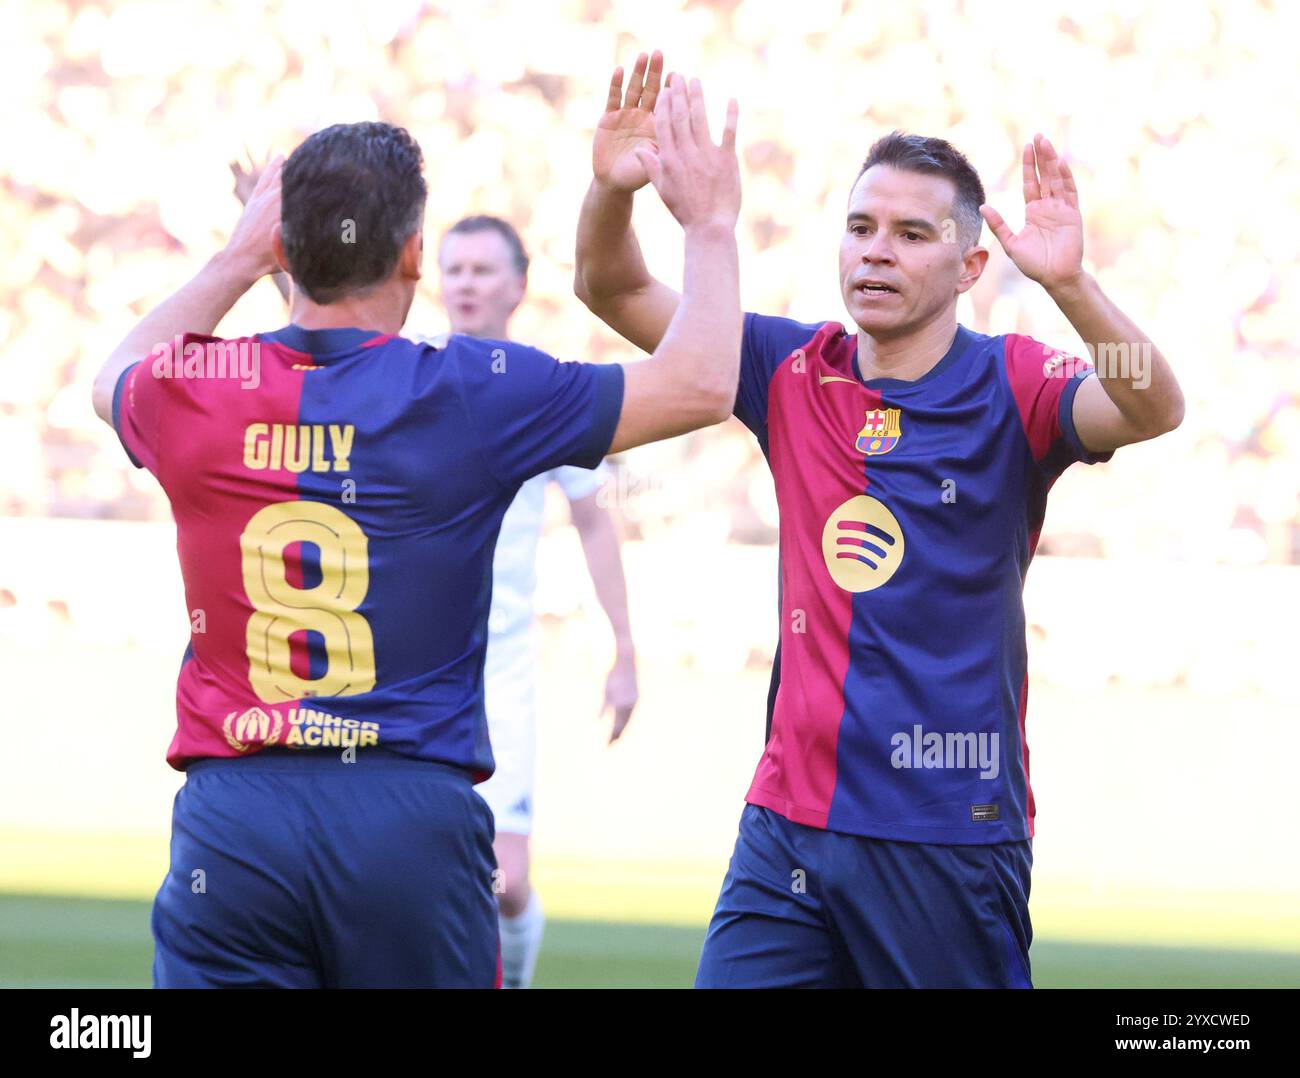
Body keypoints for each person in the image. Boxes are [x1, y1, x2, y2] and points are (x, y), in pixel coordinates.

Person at [90, 73, 740, 988]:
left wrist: (236, 260)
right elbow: (703, 383)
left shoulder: (192, 390)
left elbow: (111, 375)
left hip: (233, 824)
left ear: (281, 244)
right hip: (407, 818)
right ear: (412, 255)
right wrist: (709, 224)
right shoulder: (473, 390)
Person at [575, 50, 1185, 987]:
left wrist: (1071, 286)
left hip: (945, 836)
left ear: (971, 262)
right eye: (860, 227)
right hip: (786, 829)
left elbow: (1152, 406)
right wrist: (612, 193)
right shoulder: (787, 368)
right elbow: (612, 291)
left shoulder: (1012, 382)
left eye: (909, 233)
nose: (875, 250)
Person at [431, 214, 639, 988]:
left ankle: (511, 977)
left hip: (499, 675)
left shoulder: (544, 389)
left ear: (519, 285)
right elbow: (325, 341)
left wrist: (623, 650)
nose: (466, 283)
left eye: (484, 270)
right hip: (410, 671)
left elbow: (593, 518)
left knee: (505, 882)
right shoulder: (415, 372)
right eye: (453, 268)